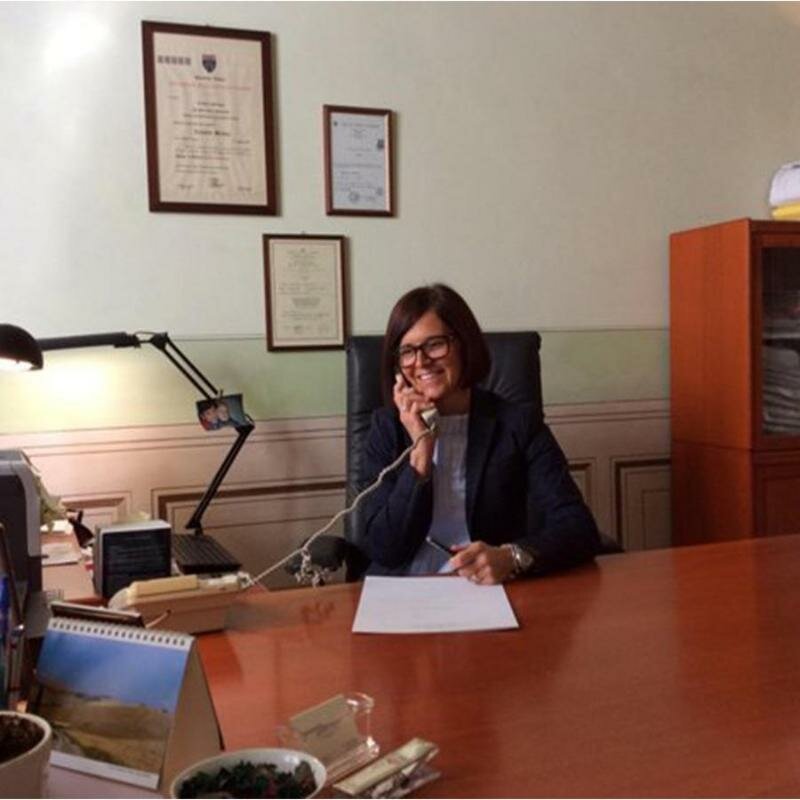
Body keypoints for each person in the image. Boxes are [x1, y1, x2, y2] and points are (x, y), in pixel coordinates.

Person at [355, 283, 600, 584]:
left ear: (464, 344)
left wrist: (511, 557)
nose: (420, 362)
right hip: (405, 589)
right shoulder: (387, 428)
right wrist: (421, 453)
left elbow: (578, 527)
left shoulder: (517, 424)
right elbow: (383, 549)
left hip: (487, 588)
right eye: (407, 351)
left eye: (434, 345)